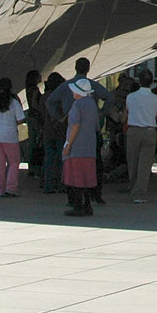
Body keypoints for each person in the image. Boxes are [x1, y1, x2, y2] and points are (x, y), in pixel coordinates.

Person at [61, 78, 100, 217]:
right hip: (89, 146)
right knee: (87, 177)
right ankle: (87, 205)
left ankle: (78, 206)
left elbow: (75, 125)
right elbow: (96, 125)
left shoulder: (77, 105)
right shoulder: (92, 104)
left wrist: (68, 144)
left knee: (76, 177)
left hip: (77, 146)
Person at [124, 70, 157, 202]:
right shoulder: (156, 99)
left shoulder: (130, 97)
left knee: (133, 162)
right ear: (151, 82)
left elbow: (128, 111)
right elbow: (156, 115)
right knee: (145, 164)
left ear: (139, 81)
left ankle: (133, 187)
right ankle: (140, 193)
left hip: (134, 130)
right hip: (150, 130)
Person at [0, 77, 26, 197]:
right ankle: (11, 188)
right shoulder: (13, 102)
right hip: (10, 136)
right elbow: (20, 119)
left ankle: (1, 189)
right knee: (14, 162)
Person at [40, 71, 67, 194]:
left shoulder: (45, 97)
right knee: (62, 158)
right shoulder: (62, 96)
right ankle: (62, 184)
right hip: (61, 130)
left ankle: (48, 184)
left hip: (47, 130)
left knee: (49, 158)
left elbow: (40, 112)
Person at [23, 70, 45, 182]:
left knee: (32, 141)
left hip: (30, 116)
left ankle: (31, 167)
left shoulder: (28, 88)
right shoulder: (35, 89)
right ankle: (37, 168)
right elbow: (34, 104)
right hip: (36, 117)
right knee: (37, 142)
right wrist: (42, 110)